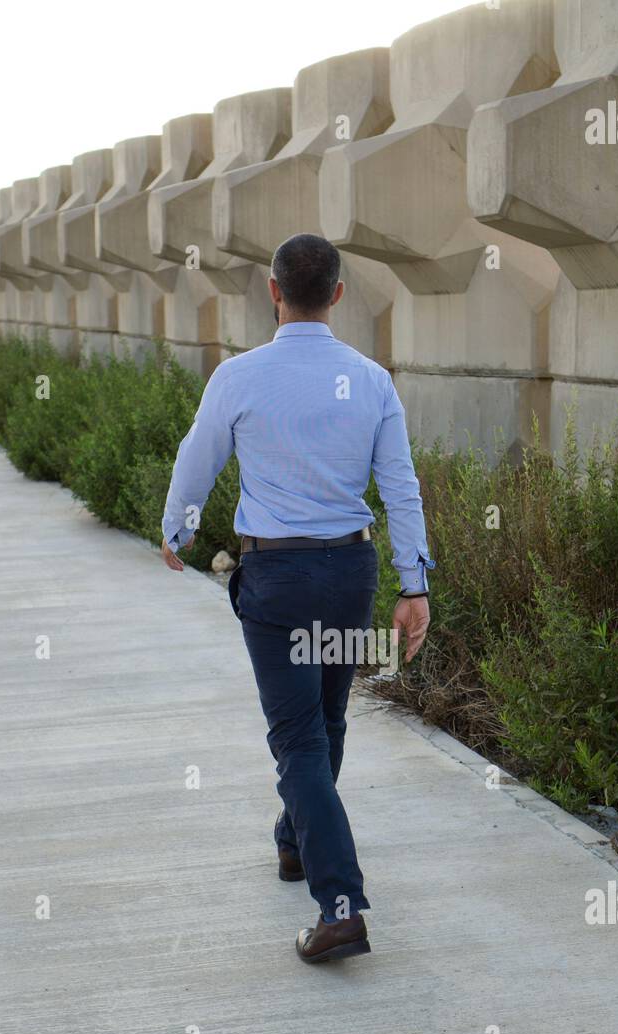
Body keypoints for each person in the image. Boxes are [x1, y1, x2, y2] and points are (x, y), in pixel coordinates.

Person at [161, 233, 433, 964]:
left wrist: (177, 530)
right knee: (327, 720)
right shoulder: (372, 380)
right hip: (350, 575)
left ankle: (340, 906)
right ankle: (294, 844)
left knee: (300, 739)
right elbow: (400, 488)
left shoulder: (240, 376)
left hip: (277, 582)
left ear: (272, 291)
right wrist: (415, 584)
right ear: (339, 295)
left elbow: (199, 456)